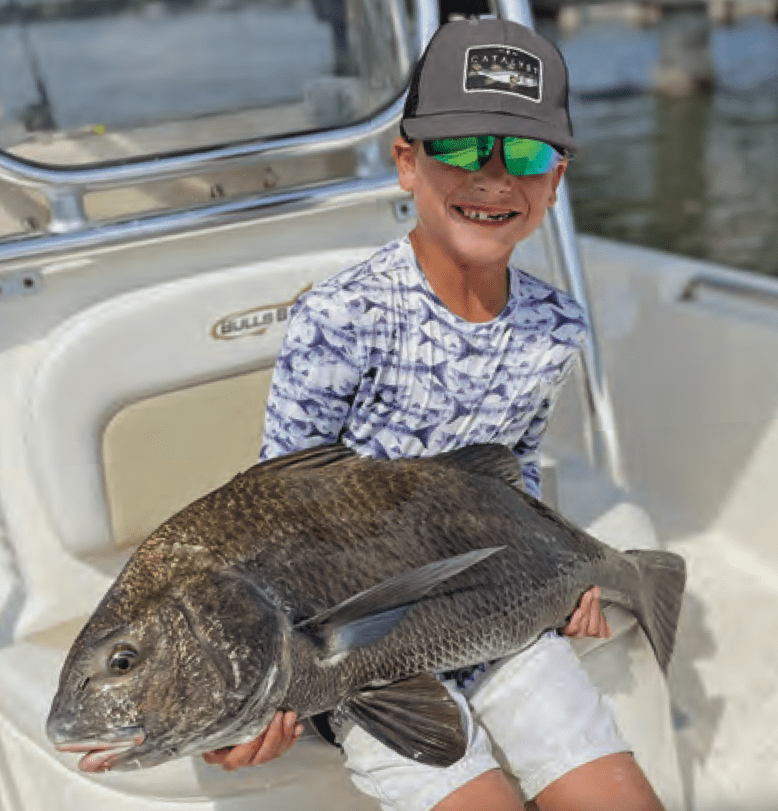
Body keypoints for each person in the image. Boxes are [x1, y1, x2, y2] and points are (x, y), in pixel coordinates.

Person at [204, 17, 665, 811]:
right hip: (363, 658)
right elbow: (275, 517)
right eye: (461, 148)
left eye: (526, 156)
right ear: (407, 164)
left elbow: (512, 479)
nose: (494, 178)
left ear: (556, 180)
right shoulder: (340, 316)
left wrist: (558, 584)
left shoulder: (558, 325)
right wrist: (254, 698)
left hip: (497, 616)